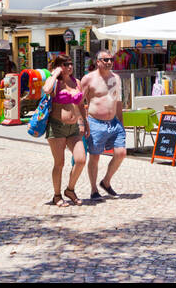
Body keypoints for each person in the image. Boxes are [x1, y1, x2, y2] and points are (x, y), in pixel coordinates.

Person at [42, 54, 88, 205]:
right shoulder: (54, 82)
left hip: (73, 128)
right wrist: (55, 73)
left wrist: (85, 122)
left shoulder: (77, 82)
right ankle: (57, 195)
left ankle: (70, 189)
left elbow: (81, 105)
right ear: (58, 66)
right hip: (57, 127)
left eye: (70, 64)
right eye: (65, 64)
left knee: (80, 160)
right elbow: (46, 89)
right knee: (59, 163)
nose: (69, 67)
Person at [80, 50, 126, 200]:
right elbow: (79, 102)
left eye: (110, 59)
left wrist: (121, 121)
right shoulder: (88, 79)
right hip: (95, 123)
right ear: (98, 62)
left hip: (113, 122)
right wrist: (83, 122)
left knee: (121, 153)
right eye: (105, 60)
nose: (109, 62)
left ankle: (106, 182)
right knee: (95, 156)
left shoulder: (115, 79)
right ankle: (94, 190)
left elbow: (116, 101)